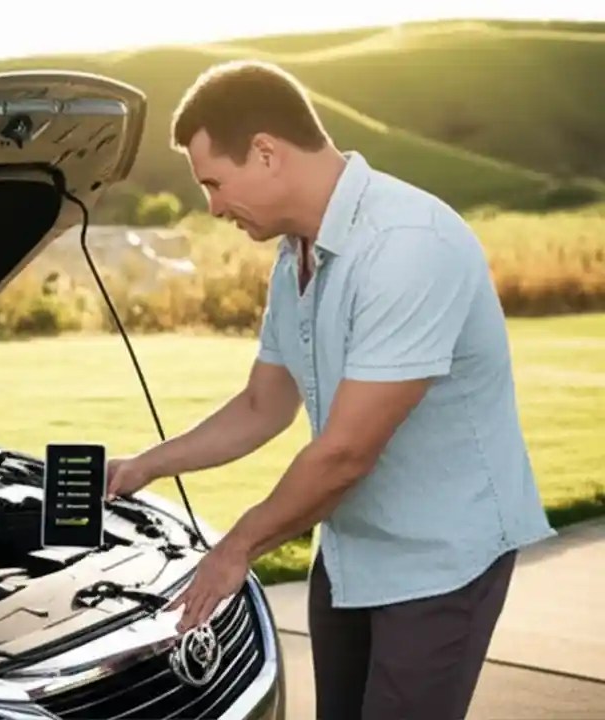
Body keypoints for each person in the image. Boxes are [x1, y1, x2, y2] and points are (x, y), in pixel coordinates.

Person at [105, 59, 555, 720]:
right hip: (349, 551)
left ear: (266, 153)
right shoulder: (295, 261)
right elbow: (265, 405)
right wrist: (148, 464)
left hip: (440, 563)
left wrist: (237, 550)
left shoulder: (407, 246)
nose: (213, 206)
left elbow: (345, 452)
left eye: (214, 183)